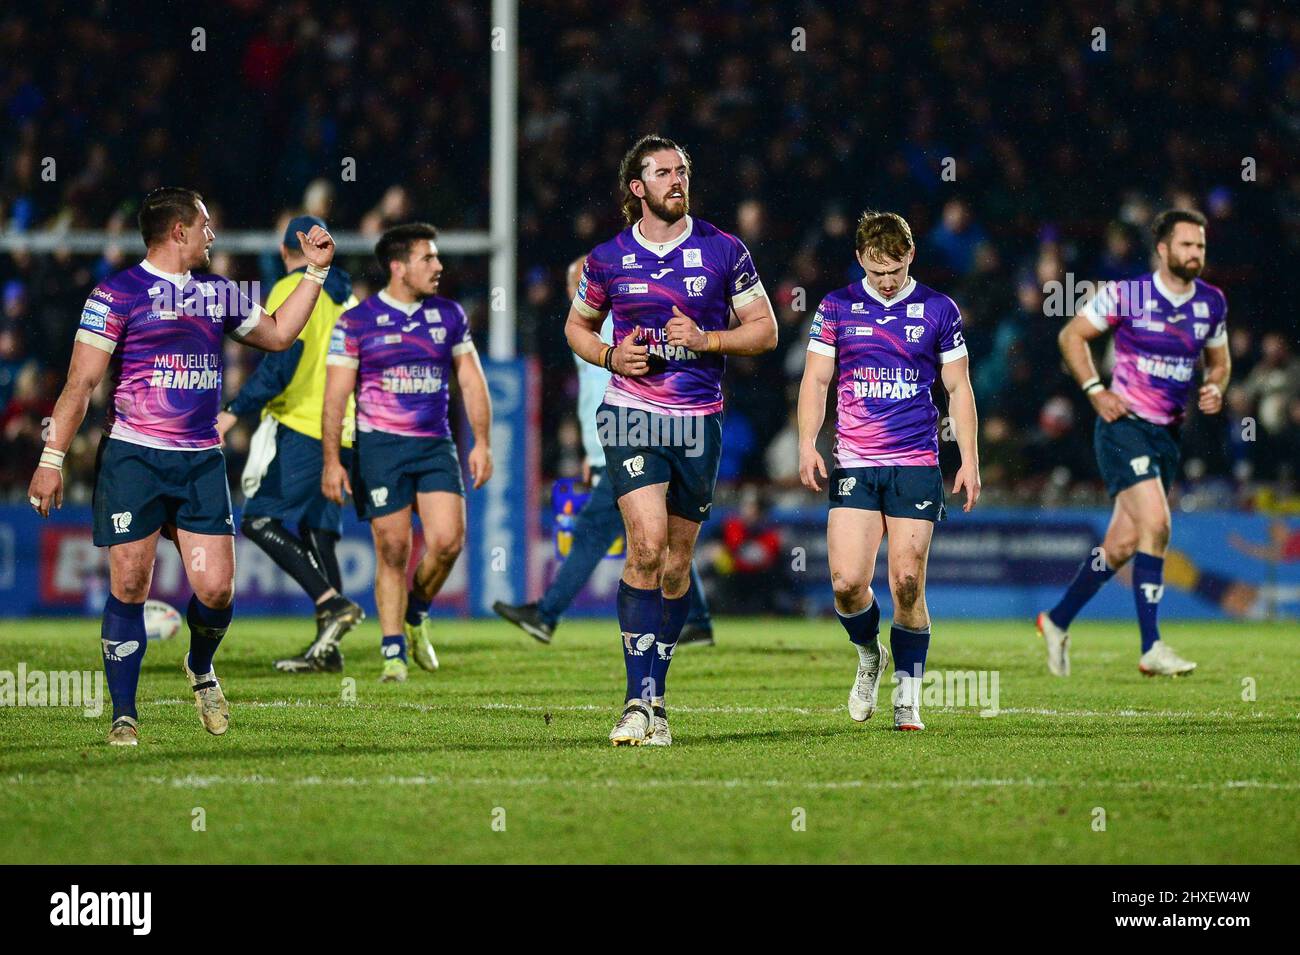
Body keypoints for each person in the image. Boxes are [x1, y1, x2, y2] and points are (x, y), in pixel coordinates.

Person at [27, 187, 336, 745]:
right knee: (129, 581)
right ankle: (125, 714)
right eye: (205, 226)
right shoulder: (116, 294)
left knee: (216, 590)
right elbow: (81, 382)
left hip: (198, 460)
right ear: (178, 232)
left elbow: (279, 334)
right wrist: (52, 458)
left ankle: (200, 666)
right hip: (134, 458)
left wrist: (314, 274)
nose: (212, 236)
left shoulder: (219, 293)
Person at [565, 134, 777, 746]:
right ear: (638, 188)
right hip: (632, 412)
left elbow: (763, 332)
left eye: (682, 171)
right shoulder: (607, 260)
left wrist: (708, 339)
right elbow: (576, 327)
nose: (676, 180)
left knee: (679, 565)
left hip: (698, 419)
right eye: (662, 173)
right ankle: (636, 703)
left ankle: (658, 698)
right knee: (647, 545)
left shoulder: (723, 250)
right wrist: (609, 355)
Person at [798, 210, 981, 731]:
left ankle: (907, 696)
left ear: (910, 257)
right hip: (855, 460)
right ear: (859, 260)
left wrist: (968, 458)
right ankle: (868, 655)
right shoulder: (836, 307)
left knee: (905, 581)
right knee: (846, 583)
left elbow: (958, 387)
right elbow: (815, 381)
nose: (885, 281)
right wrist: (808, 443)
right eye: (876, 272)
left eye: (894, 271)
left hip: (916, 464)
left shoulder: (938, 310)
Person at [1039, 209, 1229, 676]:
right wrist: (1094, 391)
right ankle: (1152, 647)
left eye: (1200, 246)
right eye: (1186, 245)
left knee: (1122, 544)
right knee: (1158, 525)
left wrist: (1216, 387)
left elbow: (1219, 363)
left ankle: (1057, 619)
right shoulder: (1127, 294)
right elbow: (1071, 335)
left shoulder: (1212, 303)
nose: (1195, 254)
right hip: (1123, 426)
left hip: (1167, 434)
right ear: (1162, 250)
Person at [493, 254, 715, 645]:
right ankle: (695, 620)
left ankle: (546, 615)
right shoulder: (586, 329)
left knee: (597, 534)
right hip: (613, 444)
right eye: (579, 281)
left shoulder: (618, 325)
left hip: (628, 443)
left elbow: (622, 392)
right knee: (661, 539)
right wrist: (591, 452)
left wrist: (604, 448)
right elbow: (596, 395)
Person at [322, 223, 493, 682]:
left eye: (437, 258)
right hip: (380, 449)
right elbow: (335, 395)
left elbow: (472, 380)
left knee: (447, 542)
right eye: (428, 259)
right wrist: (332, 460)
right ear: (398, 268)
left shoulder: (449, 316)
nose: (438, 267)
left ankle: (417, 612)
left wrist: (482, 442)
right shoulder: (356, 322)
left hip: (435, 445)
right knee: (393, 548)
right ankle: (393, 651)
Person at [216, 215, 364, 673]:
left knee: (260, 520)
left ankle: (331, 602)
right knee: (319, 535)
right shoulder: (350, 297)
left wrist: (233, 410)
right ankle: (329, 650)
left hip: (303, 426)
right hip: (347, 429)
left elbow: (280, 364)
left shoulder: (289, 289)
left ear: (285, 252)